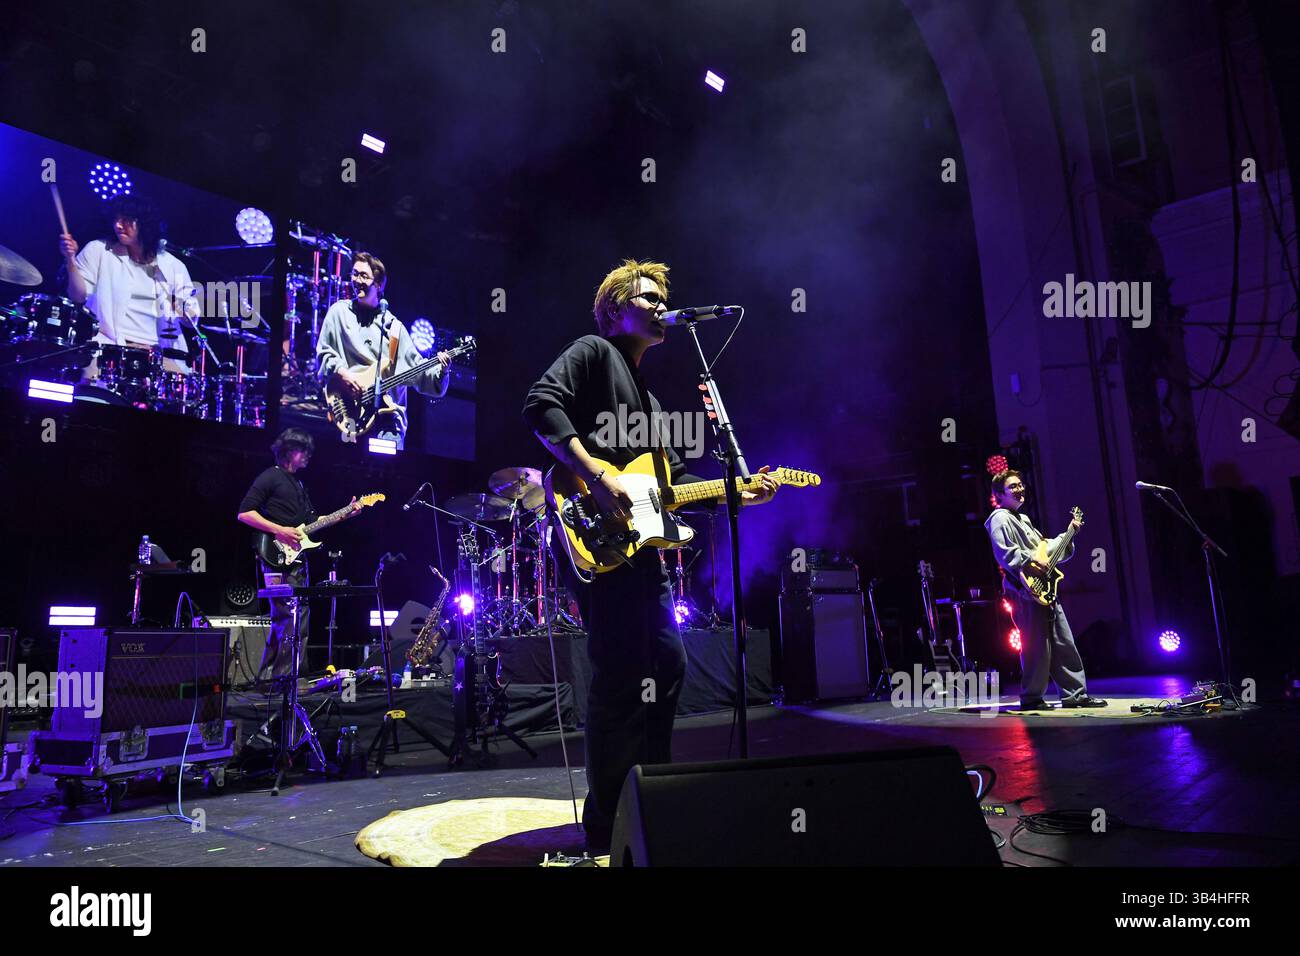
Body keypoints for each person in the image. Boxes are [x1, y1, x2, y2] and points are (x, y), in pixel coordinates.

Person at [523, 259, 779, 851]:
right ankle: (606, 825)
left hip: (645, 552)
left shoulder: (656, 405)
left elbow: (677, 485)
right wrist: (593, 473)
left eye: (666, 296)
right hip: (598, 534)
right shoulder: (592, 351)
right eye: (649, 296)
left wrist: (737, 491)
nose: (663, 304)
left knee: (667, 666)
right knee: (619, 676)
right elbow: (540, 405)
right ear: (616, 308)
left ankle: (652, 800)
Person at [236, 428, 357, 682]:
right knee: (290, 617)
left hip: (297, 560)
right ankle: (285, 682)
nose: (308, 457)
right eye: (304, 451)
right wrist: (279, 530)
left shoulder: (298, 484)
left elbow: (314, 522)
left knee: (289, 617)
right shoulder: (270, 477)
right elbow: (245, 513)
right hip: (275, 557)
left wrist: (346, 513)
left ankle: (270, 679)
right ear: (289, 451)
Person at [985, 469, 1106, 710]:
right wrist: (1029, 560)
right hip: (1025, 590)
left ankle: (1075, 694)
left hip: (1045, 589)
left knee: (1063, 641)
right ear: (1000, 494)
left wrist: (1068, 534)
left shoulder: (1024, 519)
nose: (1020, 489)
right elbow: (1005, 553)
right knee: (1036, 645)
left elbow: (1045, 549)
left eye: (1021, 484)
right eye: (1013, 487)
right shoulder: (999, 518)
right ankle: (1032, 698)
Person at [315, 251, 449, 447]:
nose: (356, 280)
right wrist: (342, 373)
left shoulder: (394, 328)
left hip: (387, 422)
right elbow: (323, 353)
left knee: (385, 473)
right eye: (354, 274)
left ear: (378, 284)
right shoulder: (339, 313)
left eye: (363, 276)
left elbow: (419, 371)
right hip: (348, 413)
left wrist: (443, 370)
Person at [59, 195, 195, 379]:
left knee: (181, 395)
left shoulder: (174, 266)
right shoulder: (99, 250)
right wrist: (70, 260)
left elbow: (191, 319)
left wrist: (182, 309)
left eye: (126, 220)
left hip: (158, 354)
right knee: (92, 389)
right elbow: (78, 296)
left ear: (145, 225)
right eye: (116, 219)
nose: (118, 225)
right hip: (107, 348)